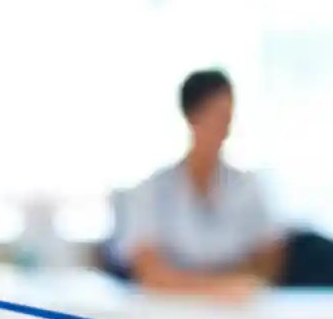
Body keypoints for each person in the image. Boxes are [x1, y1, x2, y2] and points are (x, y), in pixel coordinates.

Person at [119, 70, 283, 299]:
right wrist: (220, 287)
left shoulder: (248, 187)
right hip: (170, 311)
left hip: (238, 314)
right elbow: (149, 272)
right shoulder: (150, 192)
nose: (225, 128)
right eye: (216, 116)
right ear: (192, 117)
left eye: (228, 117)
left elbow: (267, 263)